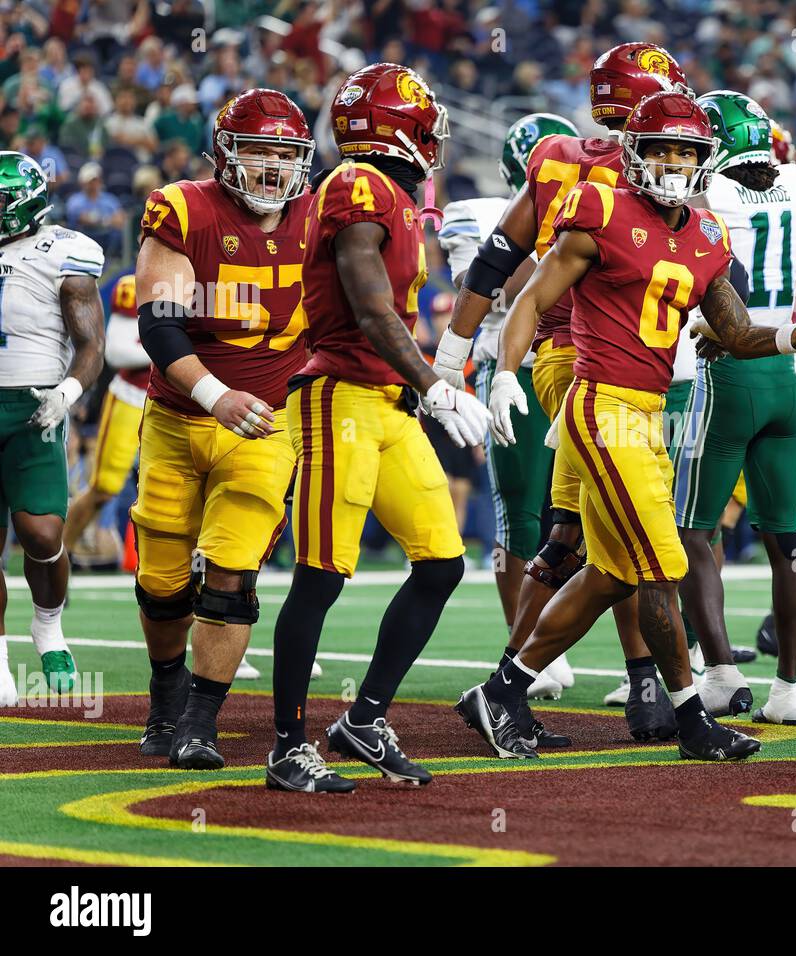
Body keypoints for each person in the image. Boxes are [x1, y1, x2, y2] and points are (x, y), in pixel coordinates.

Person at [459, 91, 796, 760]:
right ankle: (691, 721)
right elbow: (532, 296)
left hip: (650, 412)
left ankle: (501, 692)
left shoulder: (706, 234)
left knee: (613, 574)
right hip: (601, 406)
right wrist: (506, 370)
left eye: (688, 151)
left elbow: (735, 331)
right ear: (634, 151)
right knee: (664, 562)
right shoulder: (599, 207)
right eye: (661, 149)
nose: (676, 162)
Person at [434, 43, 691, 742]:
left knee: (569, 538)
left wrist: (453, 357)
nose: (680, 145)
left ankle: (507, 690)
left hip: (575, 360)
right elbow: (502, 260)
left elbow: (493, 259)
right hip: (590, 361)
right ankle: (646, 692)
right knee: (627, 538)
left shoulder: (556, 155)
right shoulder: (636, 170)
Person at [266, 63, 490, 793]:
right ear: (397, 129)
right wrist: (436, 385)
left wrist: (430, 384)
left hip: (386, 399)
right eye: (424, 124)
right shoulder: (357, 185)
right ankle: (287, 747)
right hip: (339, 396)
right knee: (321, 575)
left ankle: (364, 718)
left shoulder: (391, 194)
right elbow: (367, 307)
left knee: (442, 562)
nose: (435, 139)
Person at [132, 89, 315, 769]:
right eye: (260, 151)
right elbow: (159, 323)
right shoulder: (184, 206)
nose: (273, 167)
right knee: (162, 582)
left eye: (286, 153)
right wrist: (215, 395)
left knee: (231, 577)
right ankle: (164, 695)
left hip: (267, 426)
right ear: (225, 154)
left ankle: (199, 725)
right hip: (181, 420)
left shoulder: (321, 216)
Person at [671, 89, 796, 725]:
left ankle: (722, 673)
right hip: (786, 373)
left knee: (692, 533)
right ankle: (788, 689)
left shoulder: (712, 199)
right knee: (787, 539)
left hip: (729, 370)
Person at [440, 112, 577, 702]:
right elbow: (488, 284)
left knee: (575, 515)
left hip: (578, 363)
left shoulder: (596, 207)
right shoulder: (478, 217)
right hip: (512, 367)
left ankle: (624, 657)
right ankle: (521, 649)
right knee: (520, 514)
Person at [0, 151, 105, 707]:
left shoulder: (63, 250)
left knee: (41, 534)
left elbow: (91, 342)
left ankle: (48, 628)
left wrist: (68, 392)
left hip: (32, 406)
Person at [64, 274, 147, 556]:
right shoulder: (135, 285)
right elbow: (117, 352)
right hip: (135, 396)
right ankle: (57, 558)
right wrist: (176, 349)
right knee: (103, 489)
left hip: (189, 399)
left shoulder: (214, 283)